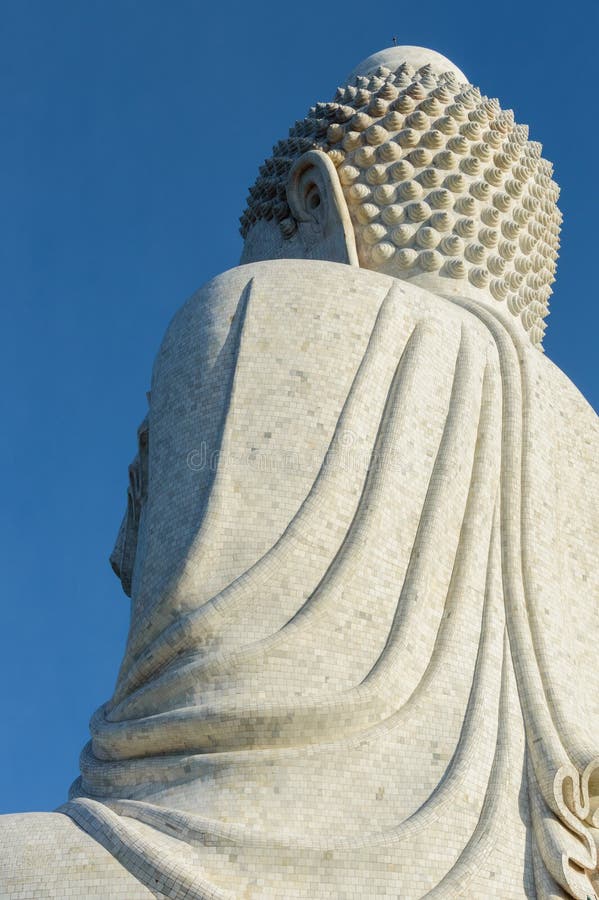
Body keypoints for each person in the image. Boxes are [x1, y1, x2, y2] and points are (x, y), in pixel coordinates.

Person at [2, 45, 598, 900]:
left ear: (311, 199)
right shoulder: (582, 424)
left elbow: (186, 700)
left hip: (230, 839)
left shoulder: (254, 302)